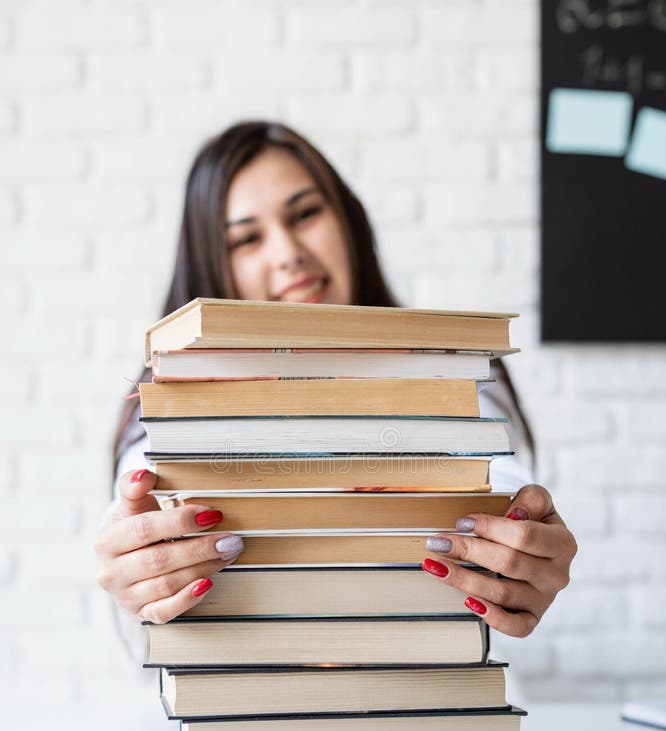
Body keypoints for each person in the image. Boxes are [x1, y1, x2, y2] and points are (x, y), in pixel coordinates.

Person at [95, 121, 577, 643]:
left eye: (305, 214)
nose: (288, 253)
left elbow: (498, 475)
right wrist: (137, 558)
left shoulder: (452, 370)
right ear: (213, 266)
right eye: (247, 239)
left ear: (348, 221)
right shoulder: (172, 398)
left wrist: (515, 544)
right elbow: (143, 481)